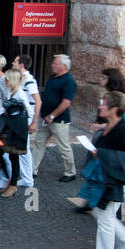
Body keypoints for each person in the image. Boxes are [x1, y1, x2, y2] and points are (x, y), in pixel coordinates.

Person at [78, 90, 125, 249]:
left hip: (120, 179)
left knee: (105, 217)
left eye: (104, 104)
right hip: (107, 177)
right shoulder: (109, 127)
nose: (100, 106)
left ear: (114, 109)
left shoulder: (123, 130)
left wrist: (103, 154)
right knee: (101, 213)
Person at [0, 55, 42, 188]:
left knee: (22, 151)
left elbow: (37, 101)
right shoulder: (17, 84)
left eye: (15, 61)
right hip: (19, 121)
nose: (12, 63)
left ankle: (26, 179)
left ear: (21, 65)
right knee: (18, 152)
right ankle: (19, 178)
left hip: (23, 121)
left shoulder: (28, 81)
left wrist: (33, 122)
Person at [33, 54, 79, 182]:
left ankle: (70, 172)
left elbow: (66, 102)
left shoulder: (69, 81)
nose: (53, 65)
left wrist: (52, 115)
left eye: (55, 63)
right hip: (45, 117)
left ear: (63, 66)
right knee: (39, 143)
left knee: (63, 146)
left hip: (59, 119)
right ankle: (32, 170)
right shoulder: (53, 78)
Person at [0, 68, 30, 199]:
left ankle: (12, 185)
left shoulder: (19, 95)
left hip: (15, 131)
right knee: (3, 154)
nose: (4, 80)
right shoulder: (13, 93)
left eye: (6, 79)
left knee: (13, 157)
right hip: (11, 130)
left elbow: (25, 112)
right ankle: (9, 180)